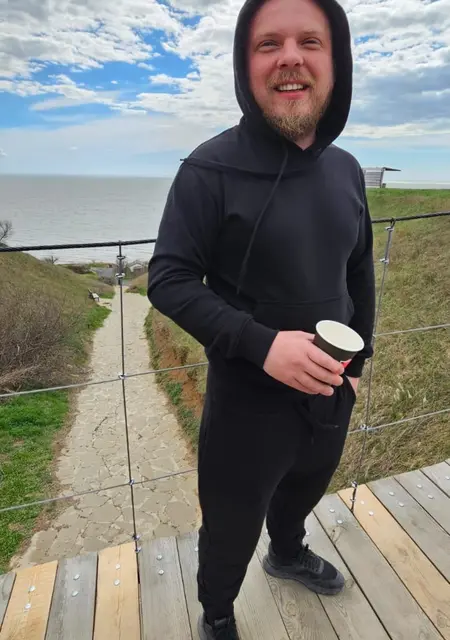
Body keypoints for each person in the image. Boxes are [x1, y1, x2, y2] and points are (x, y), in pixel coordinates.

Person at [148, 0, 376, 636]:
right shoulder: (208, 169)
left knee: (304, 488)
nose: (290, 58)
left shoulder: (346, 169)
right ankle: (217, 610)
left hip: (331, 390)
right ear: (244, 64)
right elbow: (167, 279)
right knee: (230, 523)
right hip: (246, 403)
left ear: (336, 61)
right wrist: (263, 345)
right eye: (268, 44)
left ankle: (288, 553)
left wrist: (359, 362)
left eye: (310, 42)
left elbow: (360, 271)